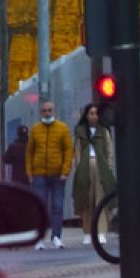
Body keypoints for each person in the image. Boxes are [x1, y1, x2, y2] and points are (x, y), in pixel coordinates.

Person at [27, 100, 73, 249]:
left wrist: (65, 171)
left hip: (58, 174)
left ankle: (56, 236)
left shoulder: (62, 129)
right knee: (40, 206)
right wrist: (30, 172)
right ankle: (39, 238)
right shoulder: (35, 129)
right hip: (39, 173)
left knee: (58, 206)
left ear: (54, 111)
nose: (47, 113)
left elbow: (68, 151)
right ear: (41, 112)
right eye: (44, 111)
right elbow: (29, 152)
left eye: (49, 110)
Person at [71, 103, 116, 246]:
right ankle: (88, 232)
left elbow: (109, 151)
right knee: (86, 201)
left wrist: (109, 168)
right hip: (85, 168)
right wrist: (78, 168)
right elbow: (77, 152)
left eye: (96, 113)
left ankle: (102, 232)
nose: (94, 116)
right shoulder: (80, 132)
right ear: (86, 115)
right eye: (91, 113)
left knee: (101, 200)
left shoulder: (104, 131)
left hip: (101, 168)